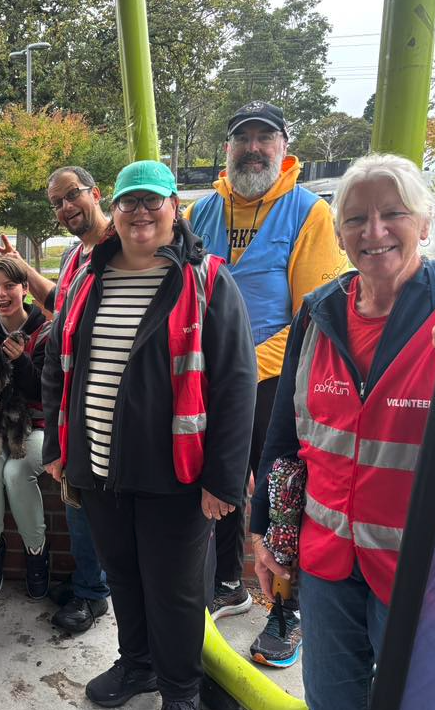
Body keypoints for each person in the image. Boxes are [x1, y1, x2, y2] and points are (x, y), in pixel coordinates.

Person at [43, 161, 256, 710]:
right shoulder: (88, 276)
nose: (140, 212)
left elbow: (236, 385)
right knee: (124, 577)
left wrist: (223, 481)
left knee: (175, 591)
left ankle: (180, 691)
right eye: (129, 202)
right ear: (113, 211)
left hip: (175, 473)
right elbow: (56, 365)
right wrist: (57, 449)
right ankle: (137, 665)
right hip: (98, 466)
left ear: (174, 209)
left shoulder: (207, 280)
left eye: (152, 201)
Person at [252, 153, 435, 710]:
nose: (373, 231)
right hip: (326, 562)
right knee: (330, 699)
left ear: (424, 224)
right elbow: (284, 438)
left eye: (392, 214)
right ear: (339, 235)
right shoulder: (318, 313)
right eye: (356, 218)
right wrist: (265, 535)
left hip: (417, 577)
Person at [184, 101, 347, 664]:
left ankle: (286, 608)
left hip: (276, 379)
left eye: (264, 138)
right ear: (227, 149)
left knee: (281, 492)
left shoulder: (309, 212)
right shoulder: (202, 211)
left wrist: (242, 366)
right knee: (218, 479)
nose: (253, 148)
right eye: (243, 138)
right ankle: (229, 583)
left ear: (283, 147)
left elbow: (313, 313)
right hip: (207, 377)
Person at [0, 165, 113, 633]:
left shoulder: (118, 247)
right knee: (76, 493)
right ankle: (88, 581)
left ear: (96, 193)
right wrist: (21, 268)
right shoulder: (75, 255)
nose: (65, 207)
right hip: (74, 395)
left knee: (94, 497)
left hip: (104, 395)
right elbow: (58, 303)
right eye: (57, 203)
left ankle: (95, 593)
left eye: (72, 195)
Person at [0, 256, 50, 599]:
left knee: (16, 473)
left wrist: (21, 361)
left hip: (37, 424)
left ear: (25, 288)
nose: (2, 295)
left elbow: (44, 392)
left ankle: (36, 552)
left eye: (9, 286)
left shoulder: (45, 331)